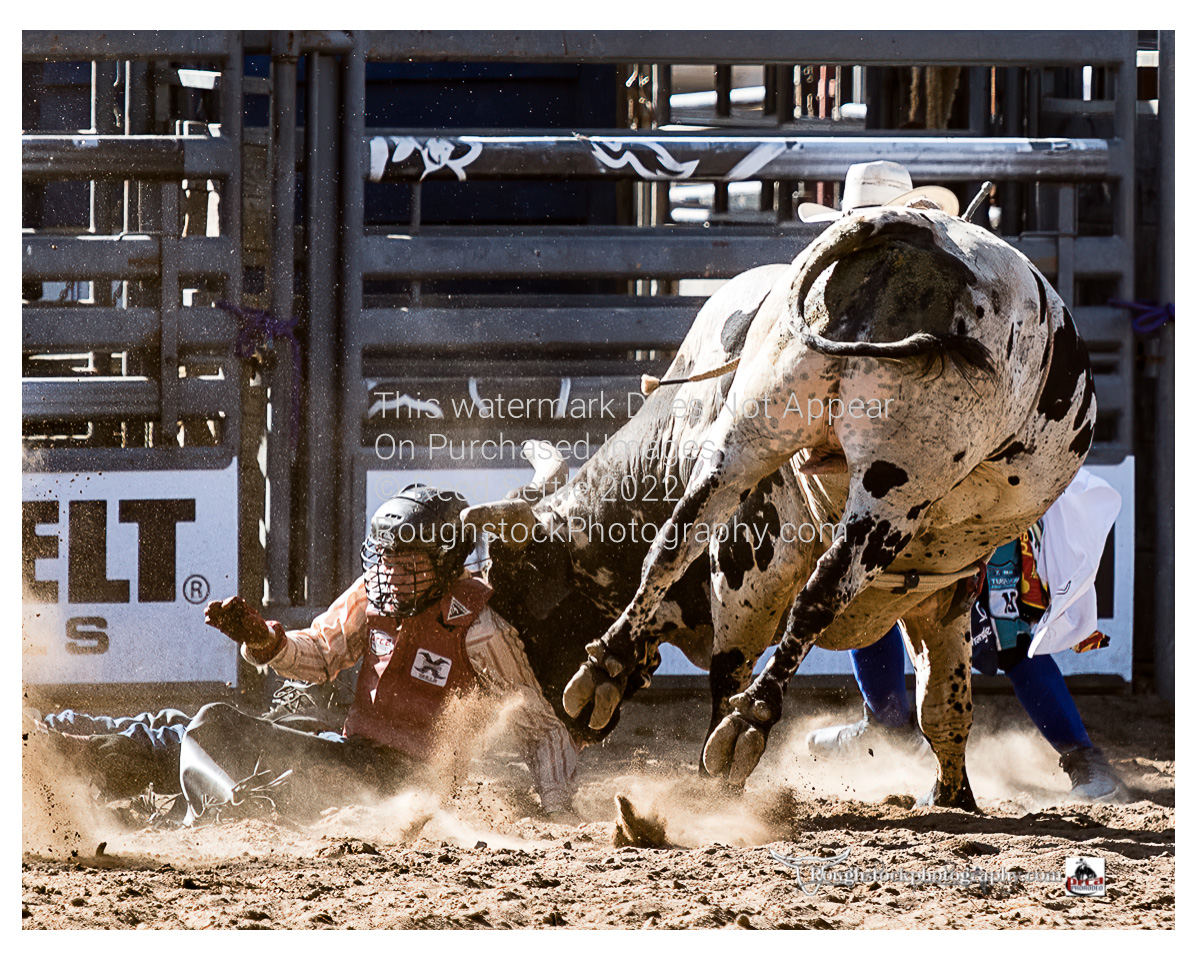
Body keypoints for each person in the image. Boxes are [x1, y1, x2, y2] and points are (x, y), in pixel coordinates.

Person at [181, 484, 580, 822]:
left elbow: (542, 731)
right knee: (213, 723)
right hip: (352, 759)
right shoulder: (373, 594)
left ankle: (251, 807)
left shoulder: (481, 629)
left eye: (408, 565)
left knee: (235, 739)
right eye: (387, 560)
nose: (391, 574)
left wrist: (559, 810)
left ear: (445, 562)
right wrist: (267, 642)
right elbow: (321, 654)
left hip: (418, 786)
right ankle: (240, 806)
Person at [806, 469, 1130, 803]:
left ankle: (1084, 758)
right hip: (888, 491)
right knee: (868, 602)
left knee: (1009, 636)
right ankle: (887, 728)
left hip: (976, 502)